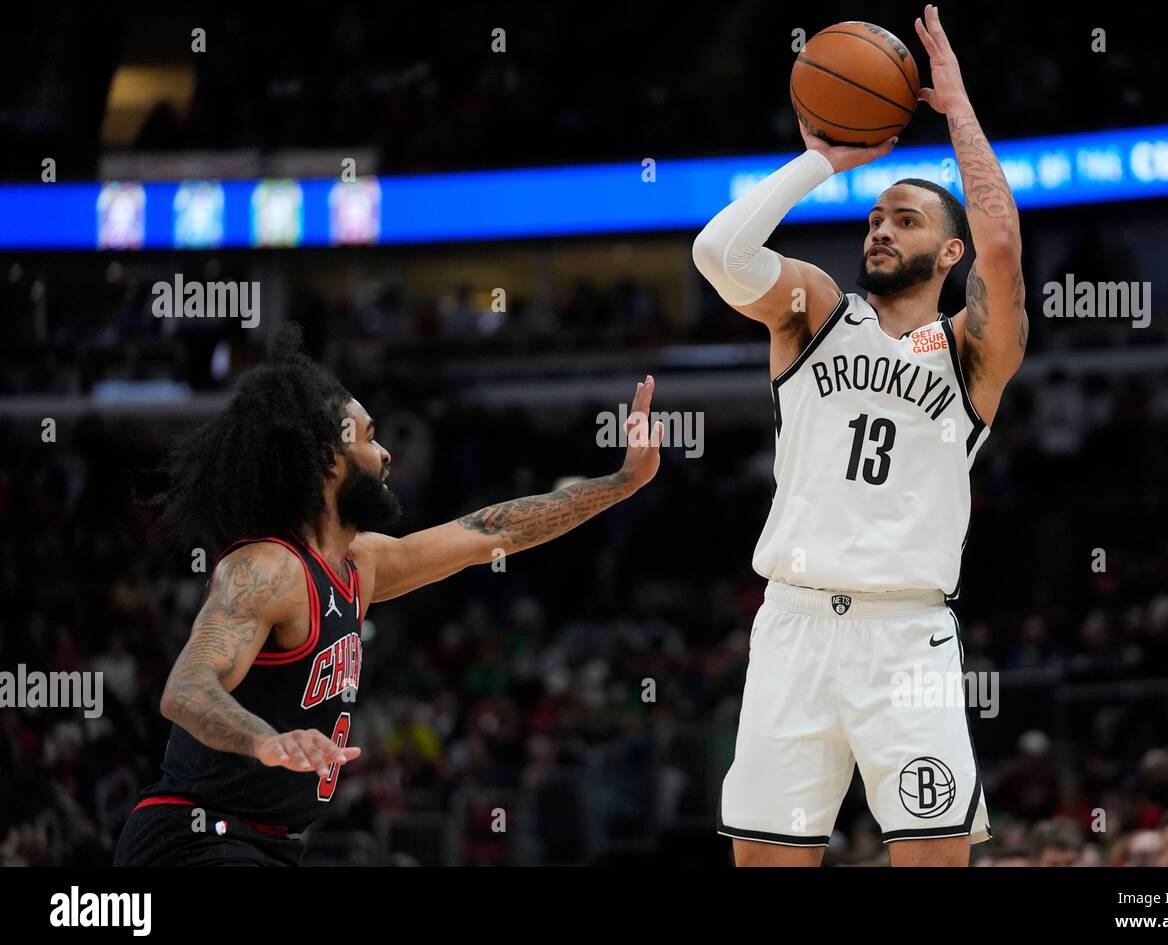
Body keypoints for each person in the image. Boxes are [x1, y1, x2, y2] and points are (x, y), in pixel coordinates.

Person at [113, 326, 663, 865]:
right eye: (370, 437)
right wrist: (263, 740)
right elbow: (185, 689)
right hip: (192, 839)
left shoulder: (361, 564)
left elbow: (495, 532)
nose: (386, 453)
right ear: (329, 459)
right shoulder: (268, 569)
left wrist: (622, 482)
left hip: (264, 845)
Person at [692, 5, 1026, 866]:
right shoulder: (813, 310)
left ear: (948, 255)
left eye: (906, 220)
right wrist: (819, 161)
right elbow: (718, 253)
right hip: (793, 625)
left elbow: (1002, 246)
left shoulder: (970, 349)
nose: (881, 227)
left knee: (932, 861)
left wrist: (954, 108)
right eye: (875, 217)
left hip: (906, 635)